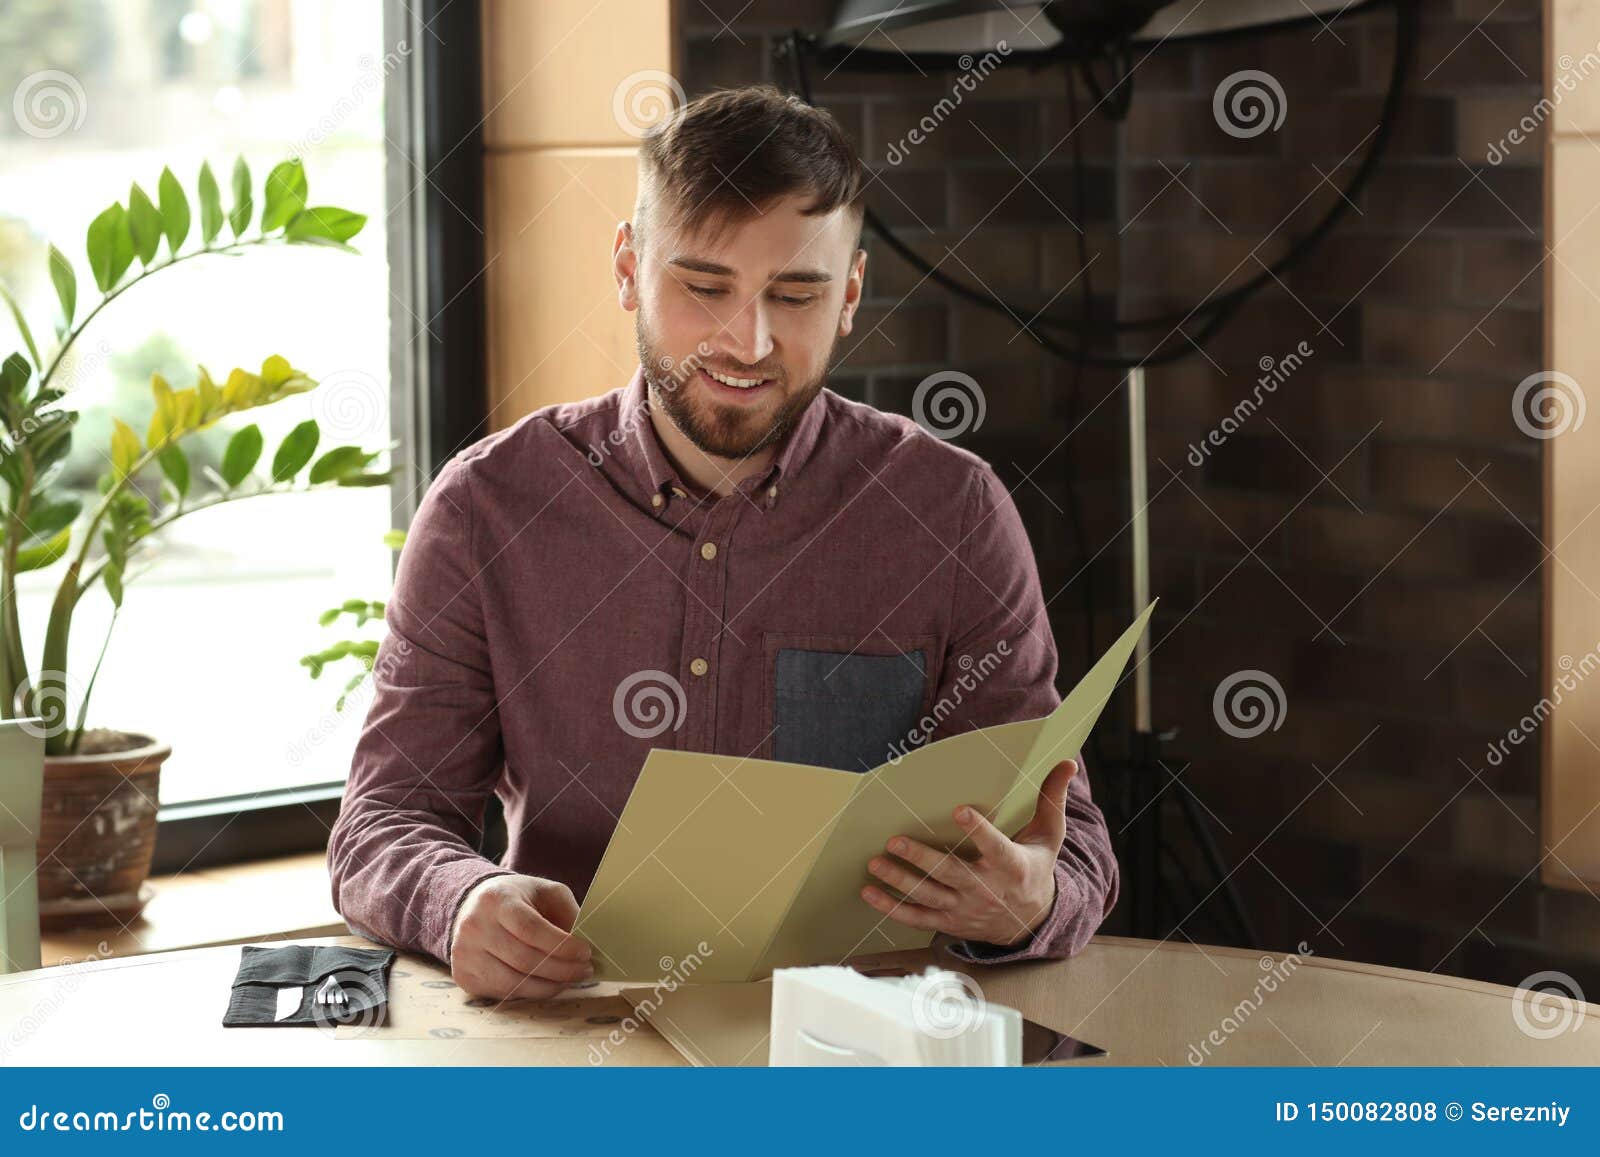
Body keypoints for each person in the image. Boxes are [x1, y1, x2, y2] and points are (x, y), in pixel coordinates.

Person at [327, 84, 1118, 1001]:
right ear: (627, 268)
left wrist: (1028, 901)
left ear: (851, 292)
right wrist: (459, 899)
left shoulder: (952, 513)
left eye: (795, 293)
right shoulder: (486, 508)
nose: (749, 340)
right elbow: (384, 819)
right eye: (705, 287)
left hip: (860, 1057)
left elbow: (1074, 852)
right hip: (580, 1050)